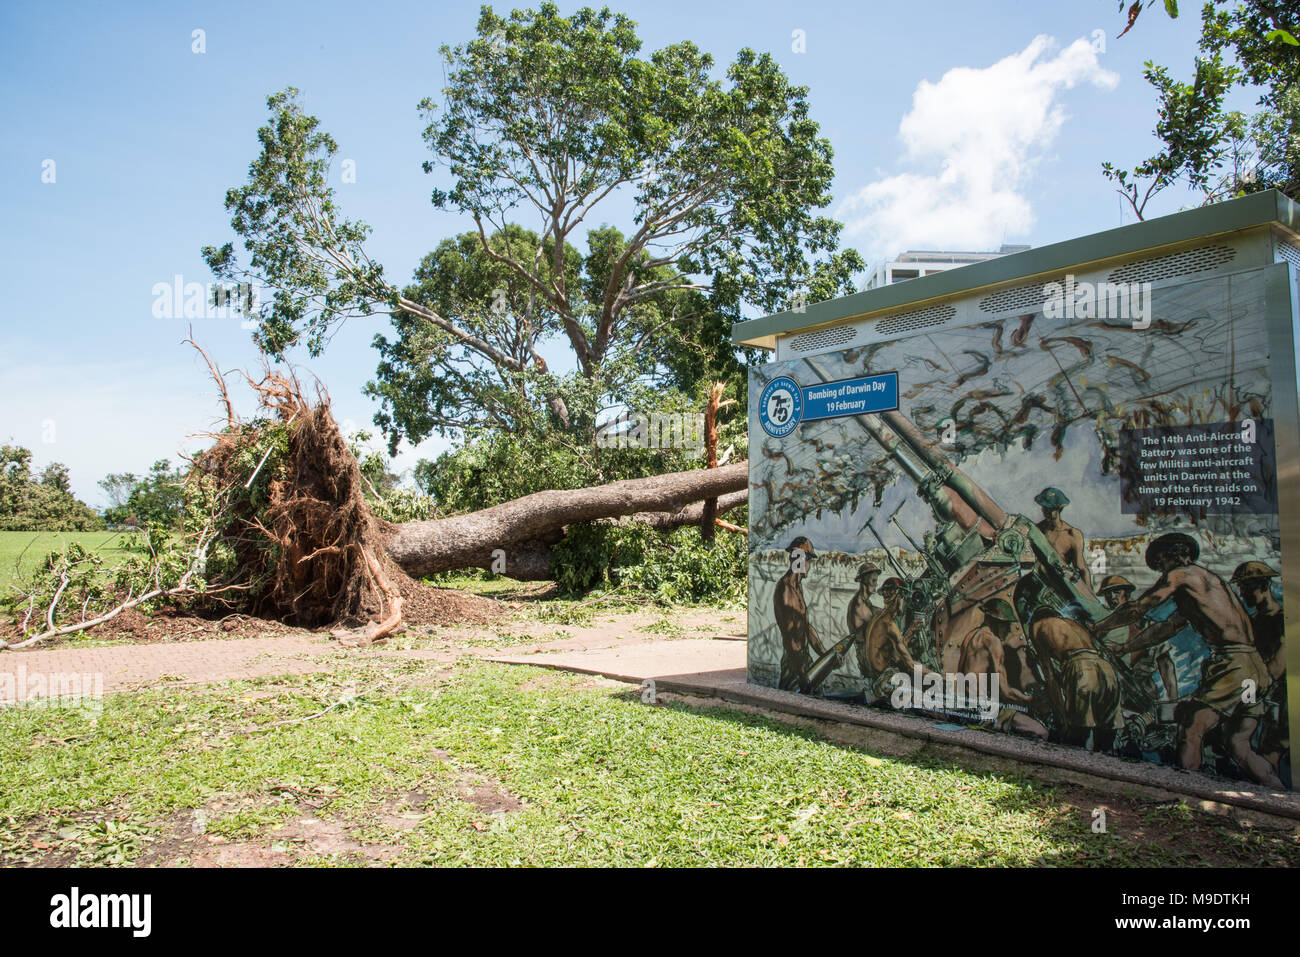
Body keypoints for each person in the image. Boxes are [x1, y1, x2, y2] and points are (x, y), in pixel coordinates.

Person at [1092, 533, 1281, 788]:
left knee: (1191, 728)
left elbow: (1138, 608)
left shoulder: (1181, 575)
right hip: (1253, 666)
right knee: (1239, 743)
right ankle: (1281, 796)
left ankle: (1188, 795)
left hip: (1233, 664)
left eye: (1160, 565)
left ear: (1171, 557)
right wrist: (1125, 646)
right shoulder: (1204, 585)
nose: (1161, 572)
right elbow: (1167, 628)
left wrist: (1099, 627)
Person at [956, 598, 1048, 740]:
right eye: (1006, 625)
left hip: (965, 705)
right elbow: (1005, 690)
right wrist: (1029, 699)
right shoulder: (993, 640)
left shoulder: (971, 636)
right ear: (996, 622)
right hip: (982, 710)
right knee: (1041, 731)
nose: (1010, 630)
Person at [1231, 561, 1288, 774]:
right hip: (1263, 692)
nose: (1243, 594)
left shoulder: (1283, 619)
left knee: (1272, 750)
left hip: (1282, 696)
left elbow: (1277, 667)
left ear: (1263, 586)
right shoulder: (1254, 621)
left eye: (1246, 588)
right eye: (1241, 589)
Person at [861, 578, 934, 703]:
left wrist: (910, 631)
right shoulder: (890, 625)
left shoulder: (877, 617)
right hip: (885, 681)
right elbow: (910, 665)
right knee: (930, 701)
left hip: (877, 677)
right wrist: (940, 677)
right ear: (900, 596)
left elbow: (894, 652)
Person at [774, 537, 828, 693]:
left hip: (803, 659)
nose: (809, 566)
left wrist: (824, 655)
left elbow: (805, 626)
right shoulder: (785, 590)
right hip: (794, 664)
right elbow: (790, 639)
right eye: (808, 560)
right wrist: (802, 674)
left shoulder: (797, 587)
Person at [1034, 487, 1093, 593]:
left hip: (1061, 588)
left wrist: (1091, 597)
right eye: (1044, 508)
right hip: (1037, 585)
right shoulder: (1037, 530)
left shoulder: (1072, 534)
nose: (1045, 511)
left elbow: (1081, 568)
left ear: (1059, 509)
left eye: (1050, 509)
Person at [846, 561, 881, 677]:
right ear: (865, 580)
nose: (876, 585)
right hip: (867, 656)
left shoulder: (865, 601)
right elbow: (875, 623)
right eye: (873, 581)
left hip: (869, 652)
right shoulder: (859, 604)